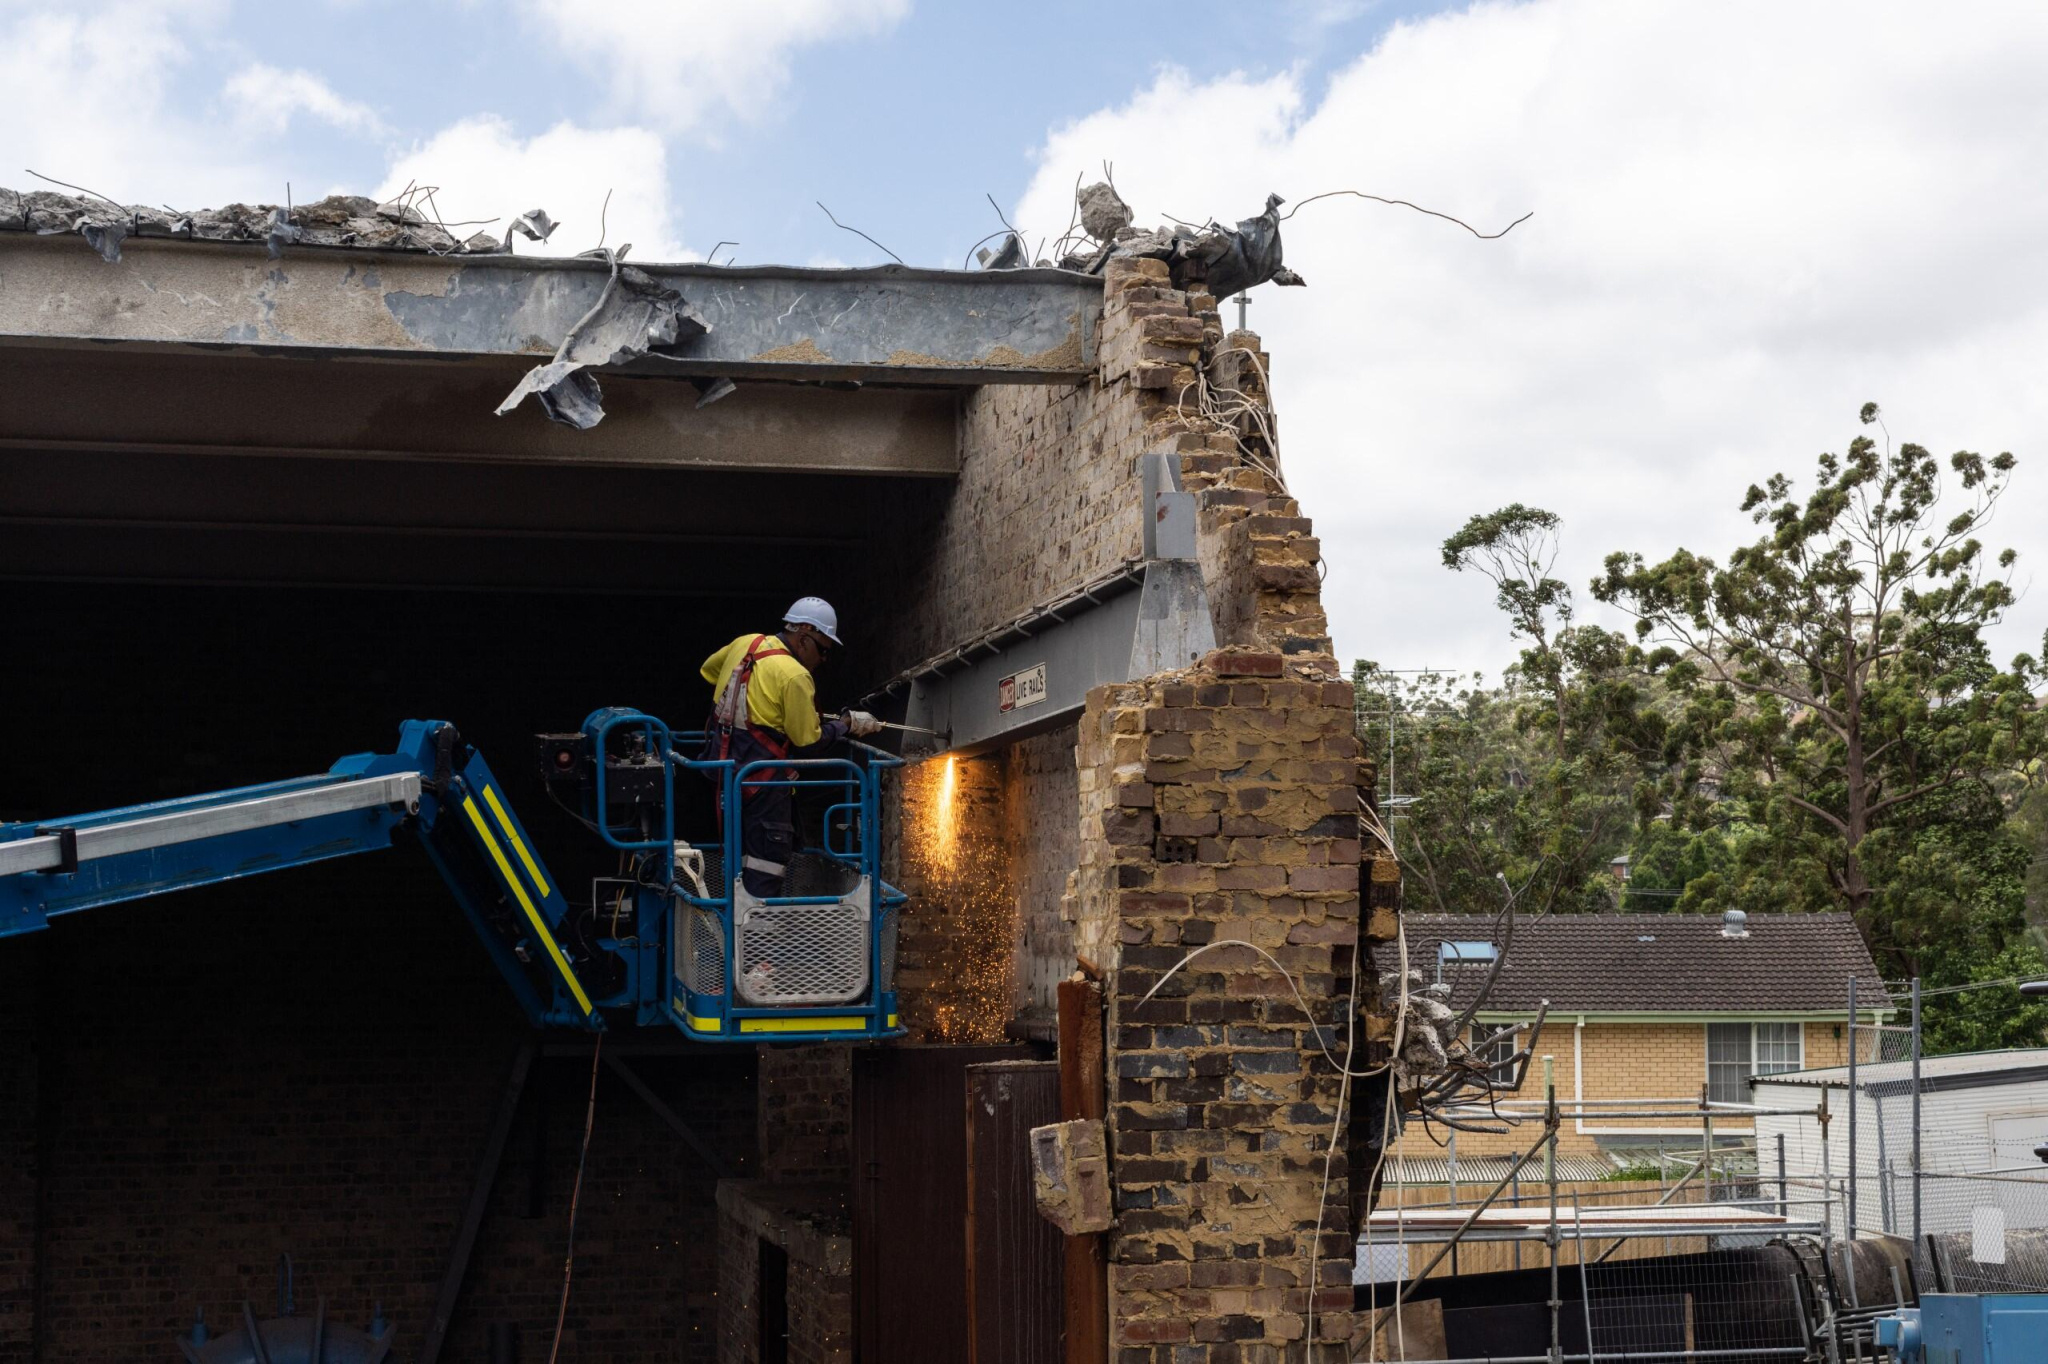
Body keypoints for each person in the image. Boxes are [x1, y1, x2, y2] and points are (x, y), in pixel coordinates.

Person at [700, 597, 882, 897]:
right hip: (763, 785)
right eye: (823, 650)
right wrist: (846, 725)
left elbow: (709, 671)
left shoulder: (746, 643)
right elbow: (809, 741)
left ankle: (738, 928)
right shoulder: (795, 676)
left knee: (738, 857)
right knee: (765, 865)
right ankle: (757, 938)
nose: (824, 659)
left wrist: (756, 699)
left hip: (723, 773)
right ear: (804, 635)